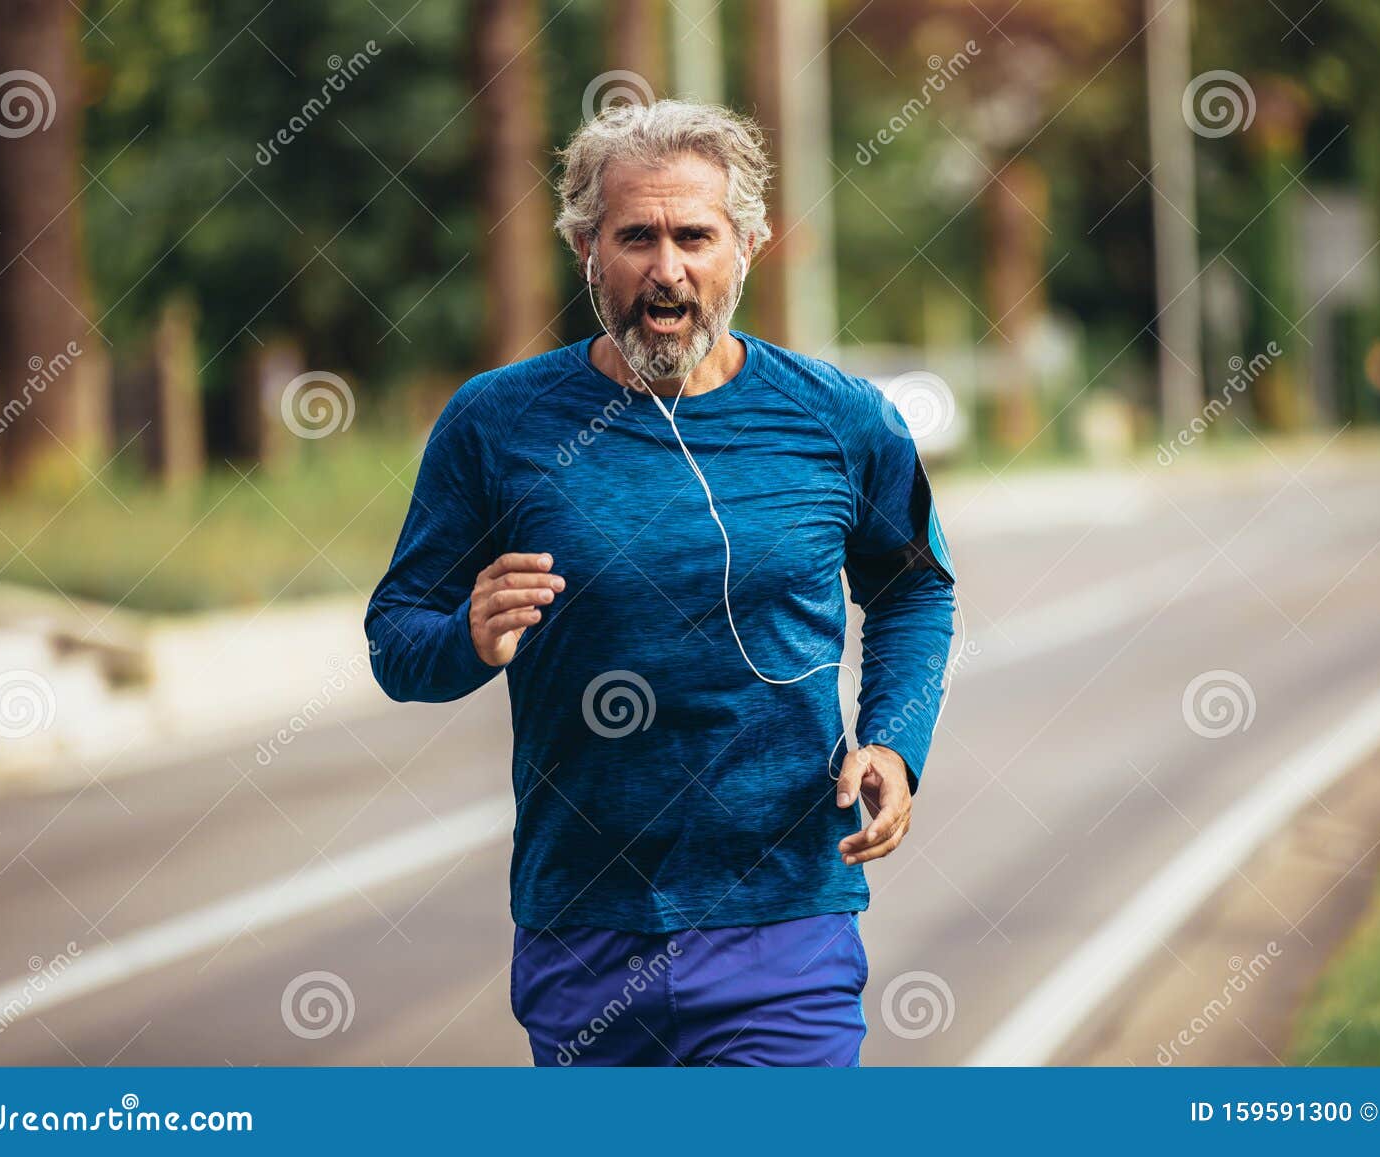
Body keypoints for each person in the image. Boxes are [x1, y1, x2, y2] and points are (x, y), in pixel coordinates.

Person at [365, 98, 957, 1067]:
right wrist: (465, 637)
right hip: (582, 921)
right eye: (635, 236)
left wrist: (895, 739)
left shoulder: (839, 419)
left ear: (748, 246)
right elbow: (396, 642)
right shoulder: (497, 423)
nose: (666, 267)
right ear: (585, 249)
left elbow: (913, 589)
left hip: (784, 911)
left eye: (694, 234)